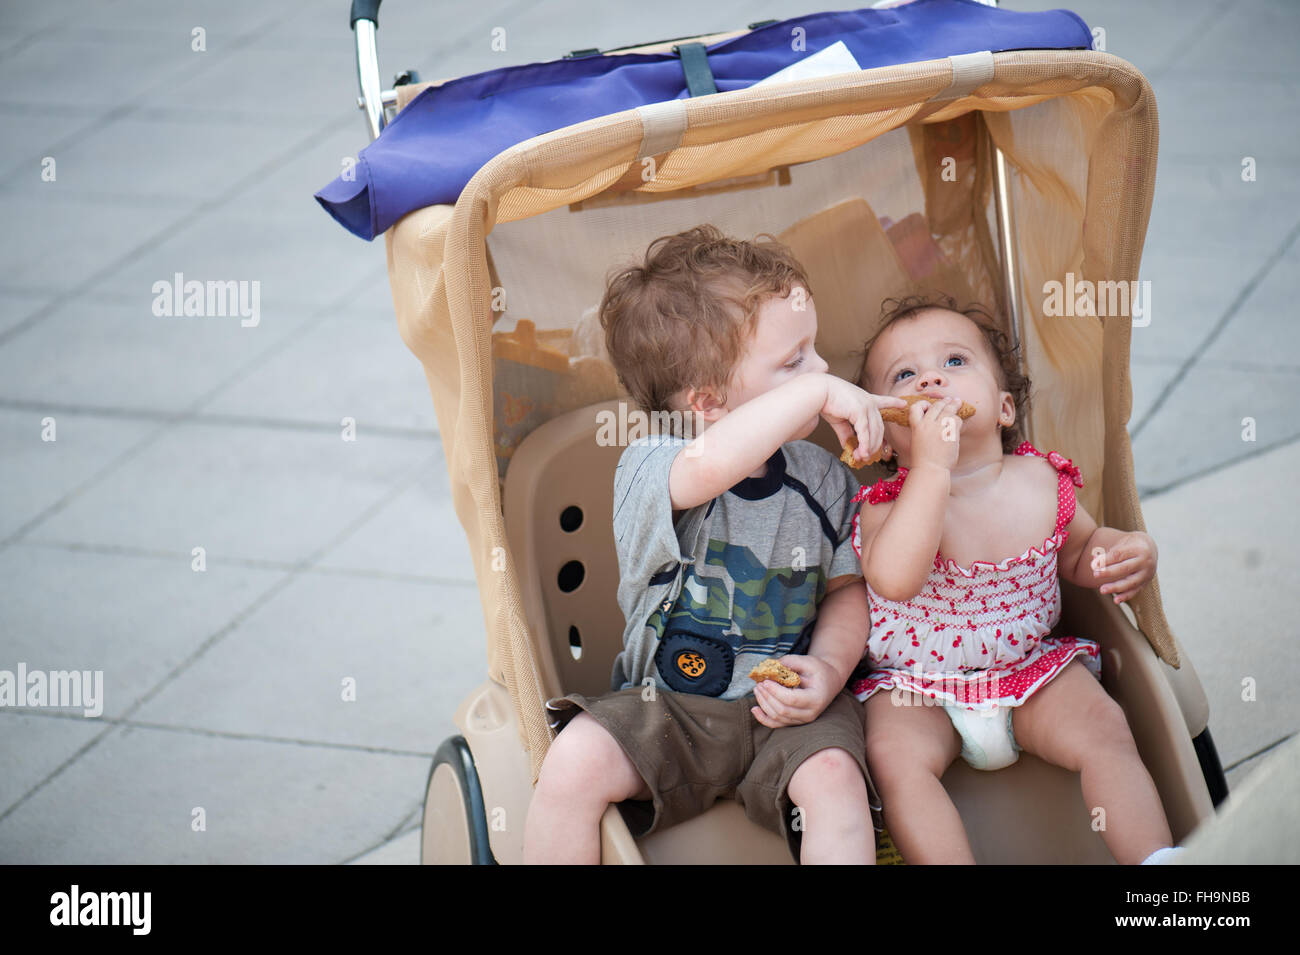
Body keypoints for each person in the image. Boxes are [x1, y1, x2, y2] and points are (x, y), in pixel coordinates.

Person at [522, 225, 905, 864]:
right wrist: (815, 395)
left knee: (837, 778)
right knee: (574, 759)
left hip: (789, 710)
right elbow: (712, 465)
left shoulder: (822, 479)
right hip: (668, 709)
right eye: (795, 363)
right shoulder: (654, 466)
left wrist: (829, 670)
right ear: (708, 401)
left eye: (813, 355)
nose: (821, 372)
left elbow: (846, 592)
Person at [849, 293, 1182, 865]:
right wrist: (931, 469)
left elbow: (1081, 554)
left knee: (1105, 727)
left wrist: (1127, 552)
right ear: (885, 433)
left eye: (954, 361)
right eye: (904, 375)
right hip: (915, 687)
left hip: (1031, 671)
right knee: (892, 762)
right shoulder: (887, 504)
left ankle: (1157, 862)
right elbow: (895, 581)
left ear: (1004, 408)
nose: (930, 379)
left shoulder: (1041, 480)